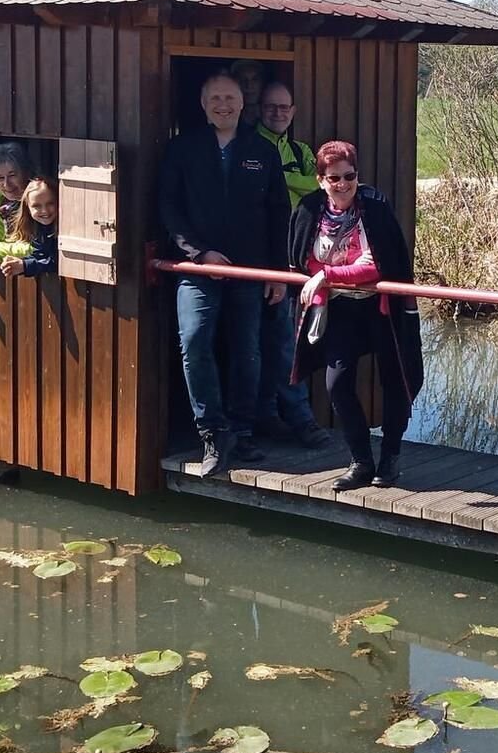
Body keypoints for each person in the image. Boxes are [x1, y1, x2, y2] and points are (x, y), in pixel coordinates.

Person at [158, 71, 290, 475]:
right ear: (202, 103)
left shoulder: (261, 151)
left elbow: (278, 214)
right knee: (195, 340)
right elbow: (168, 208)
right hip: (197, 268)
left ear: (241, 103)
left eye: (229, 98)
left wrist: (277, 273)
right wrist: (200, 254)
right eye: (214, 98)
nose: (222, 105)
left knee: (247, 350)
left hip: (250, 272)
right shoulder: (182, 149)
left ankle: (242, 431)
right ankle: (212, 433)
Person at [290, 140, 425, 489]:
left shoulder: (374, 208)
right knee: (337, 383)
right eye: (334, 178)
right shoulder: (309, 210)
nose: (343, 184)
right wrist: (324, 275)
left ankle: (390, 458)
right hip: (340, 309)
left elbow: (374, 265)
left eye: (349, 176)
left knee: (396, 380)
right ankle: (361, 461)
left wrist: (326, 274)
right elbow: (304, 259)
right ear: (321, 180)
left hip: (380, 308)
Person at [253, 81, 329, 449]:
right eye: (271, 107)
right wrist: (295, 185)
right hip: (257, 263)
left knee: (283, 342)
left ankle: (269, 414)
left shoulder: (300, 151)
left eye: (284, 107)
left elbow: (319, 192)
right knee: (270, 344)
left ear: (294, 111)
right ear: (258, 109)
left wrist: (289, 182)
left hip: (298, 264)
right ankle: (297, 419)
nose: (278, 113)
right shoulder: (248, 147)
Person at [1, 178, 59, 278]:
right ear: (27, 208)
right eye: (37, 206)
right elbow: (40, 255)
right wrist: (19, 262)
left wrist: (25, 266)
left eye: (50, 203)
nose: (44, 211)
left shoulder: (66, 229)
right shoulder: (38, 228)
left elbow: (59, 262)